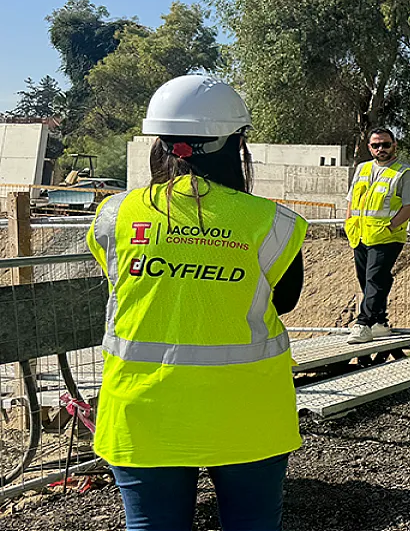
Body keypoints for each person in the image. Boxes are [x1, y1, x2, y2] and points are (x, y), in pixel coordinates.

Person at [85, 75, 308, 533]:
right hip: (248, 414)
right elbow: (284, 302)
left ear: (161, 143)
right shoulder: (273, 223)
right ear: (236, 142)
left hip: (143, 414)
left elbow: (119, 280)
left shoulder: (116, 214)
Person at [344, 129, 410, 343]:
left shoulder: (405, 172)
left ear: (394, 145)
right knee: (366, 279)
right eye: (376, 145)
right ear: (369, 147)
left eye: (385, 145)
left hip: (387, 237)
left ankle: (363, 323)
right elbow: (351, 198)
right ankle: (379, 321)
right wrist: (349, 220)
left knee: (375, 278)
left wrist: (390, 227)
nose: (381, 149)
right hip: (360, 234)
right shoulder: (362, 168)